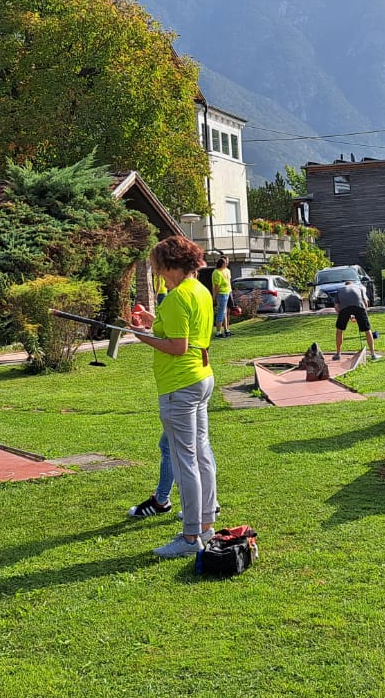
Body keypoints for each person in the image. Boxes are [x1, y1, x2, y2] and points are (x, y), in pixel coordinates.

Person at [129, 236, 219, 557]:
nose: (158, 275)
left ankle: (191, 537)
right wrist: (153, 323)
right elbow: (183, 332)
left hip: (179, 386)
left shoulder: (177, 296)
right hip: (200, 379)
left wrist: (142, 337)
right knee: (201, 453)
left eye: (159, 268)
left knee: (185, 462)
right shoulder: (201, 291)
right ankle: (206, 523)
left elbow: (177, 347)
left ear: (171, 266)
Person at [333, 279, 377, 360]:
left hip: (344, 308)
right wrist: (362, 314)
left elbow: (336, 307)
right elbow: (366, 303)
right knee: (367, 330)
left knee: (339, 330)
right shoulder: (359, 288)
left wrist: (348, 316)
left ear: (345, 285)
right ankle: (373, 354)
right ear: (352, 284)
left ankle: (338, 354)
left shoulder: (339, 290)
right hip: (359, 307)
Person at [211, 255, 232, 338]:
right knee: (221, 312)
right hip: (221, 294)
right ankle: (218, 332)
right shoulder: (217, 272)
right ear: (222, 264)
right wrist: (215, 296)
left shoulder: (224, 271)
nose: (226, 264)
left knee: (224, 312)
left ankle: (226, 330)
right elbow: (217, 286)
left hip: (226, 292)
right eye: (225, 263)